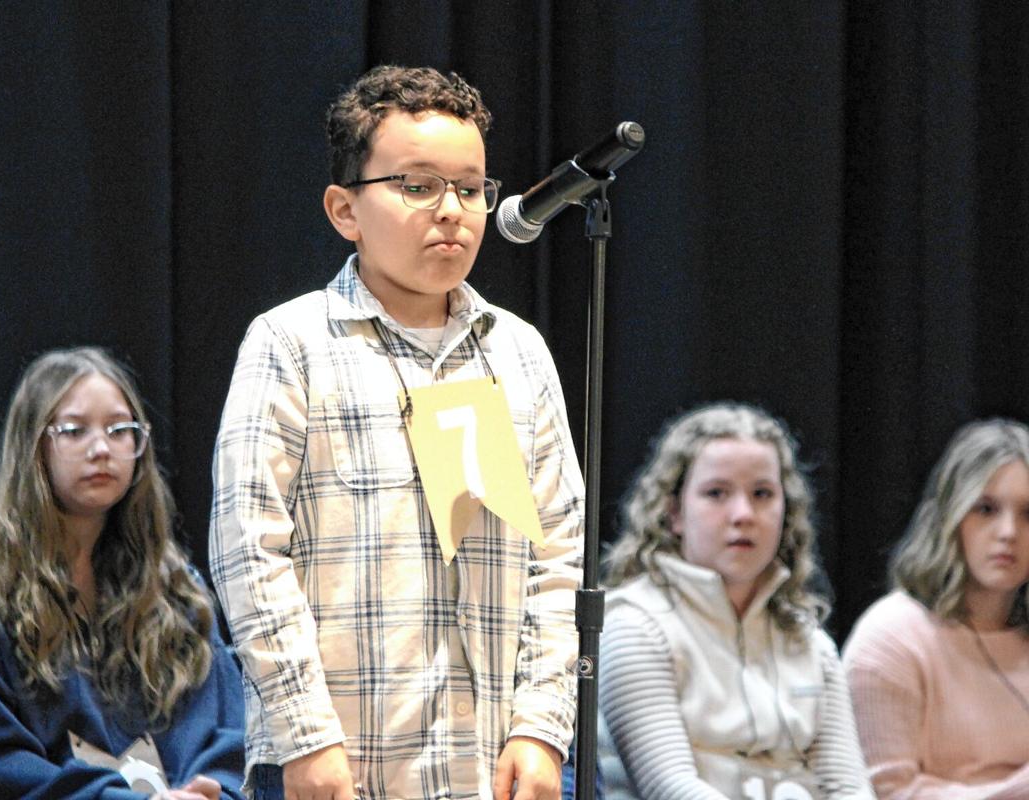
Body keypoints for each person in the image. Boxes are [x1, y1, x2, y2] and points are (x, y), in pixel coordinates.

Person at [210, 65, 585, 800]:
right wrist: (304, 735)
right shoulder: (291, 343)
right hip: (342, 767)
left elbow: (559, 556)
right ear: (345, 210)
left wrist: (541, 727)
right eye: (417, 186)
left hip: (488, 770)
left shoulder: (516, 350)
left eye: (471, 188)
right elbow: (248, 550)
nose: (452, 210)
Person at [0, 348, 246, 799]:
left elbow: (229, 732)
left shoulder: (175, 586)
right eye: (74, 431)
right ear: (33, 445)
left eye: (120, 430)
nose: (101, 449)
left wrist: (213, 792)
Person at [597, 403, 874, 800]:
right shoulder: (633, 626)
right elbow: (668, 787)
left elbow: (849, 788)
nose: (743, 514)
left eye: (762, 493)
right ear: (673, 512)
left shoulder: (811, 644)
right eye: (717, 493)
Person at [843, 419, 1029, 798]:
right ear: (949, 516)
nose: (1009, 532)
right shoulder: (891, 637)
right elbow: (888, 793)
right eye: (986, 509)